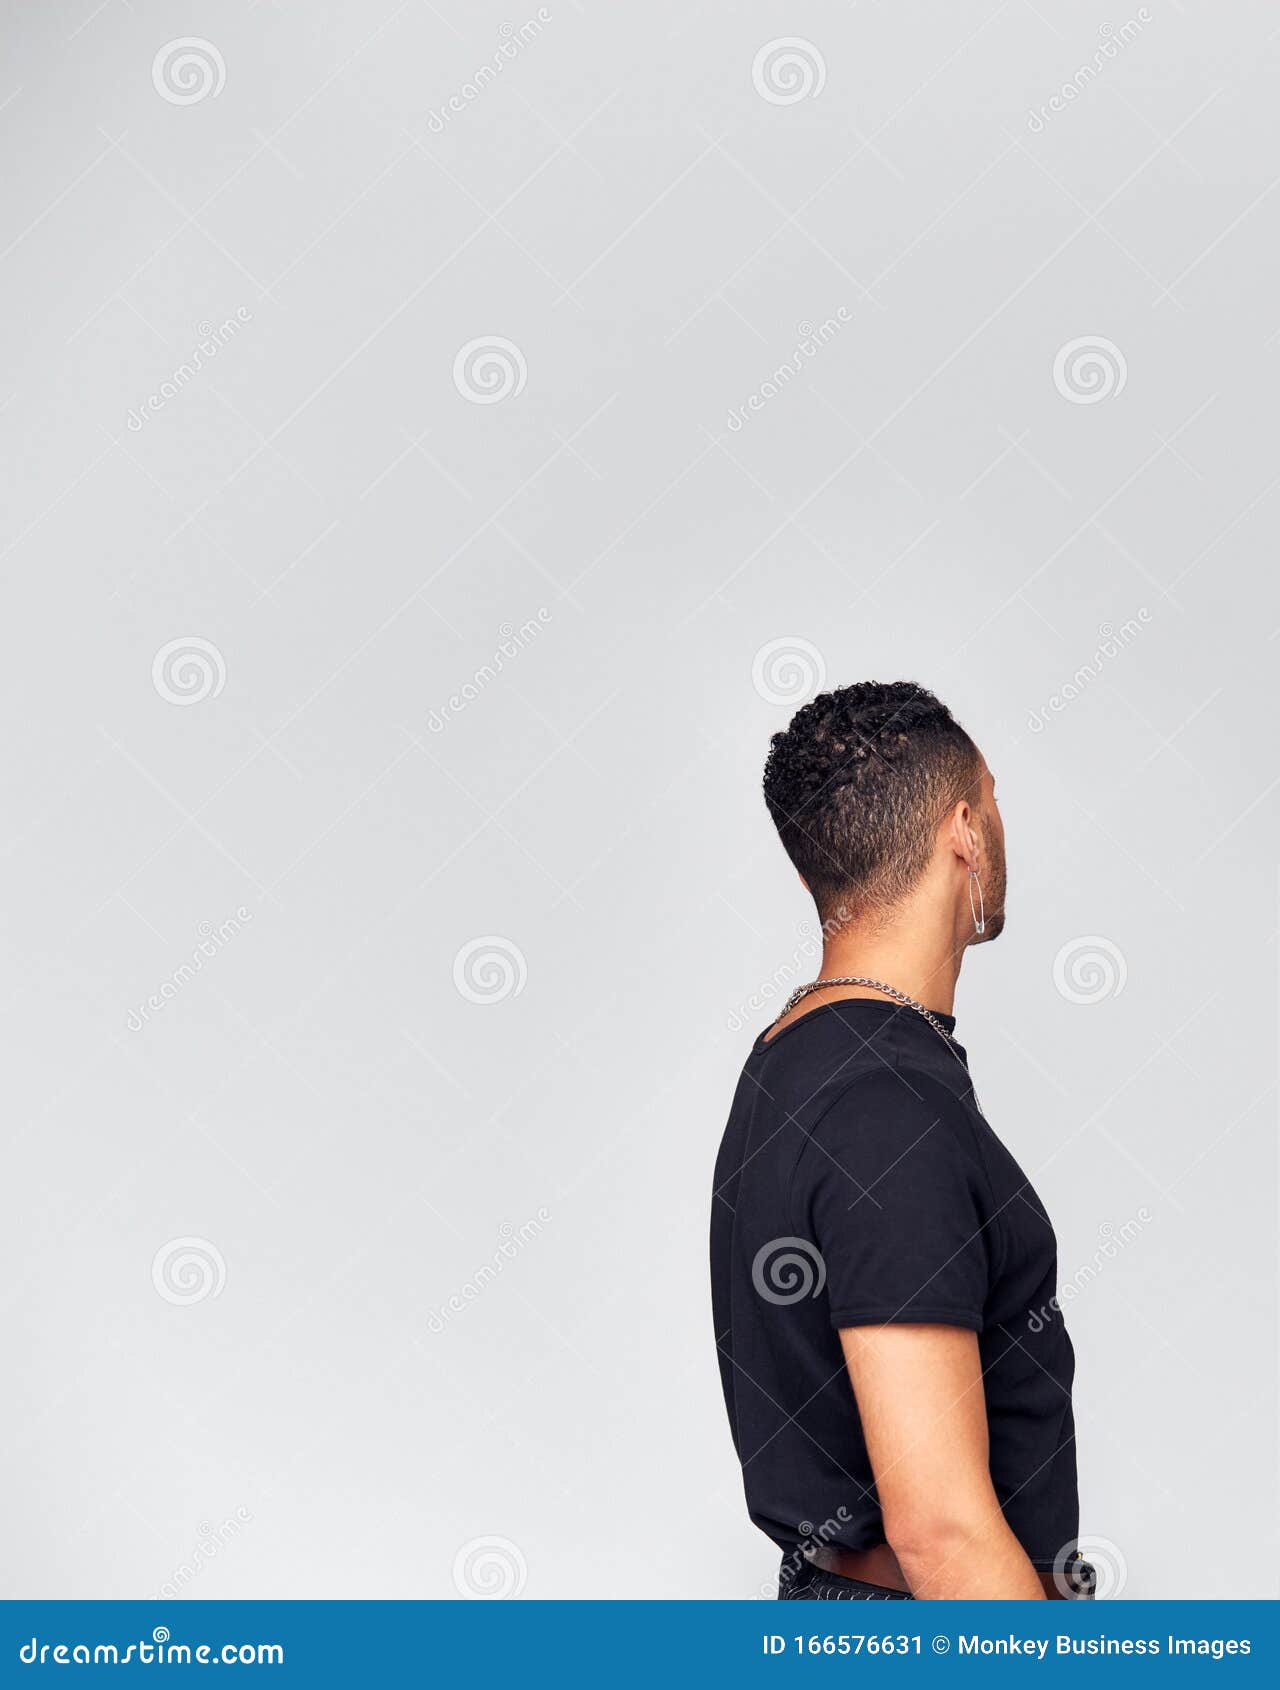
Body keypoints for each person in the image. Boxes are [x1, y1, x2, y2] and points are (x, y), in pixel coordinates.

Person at [710, 681, 1091, 1600]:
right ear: (964, 829)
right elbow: (942, 1535)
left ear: (811, 874)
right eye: (993, 799)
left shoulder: (791, 1059)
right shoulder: (887, 1107)